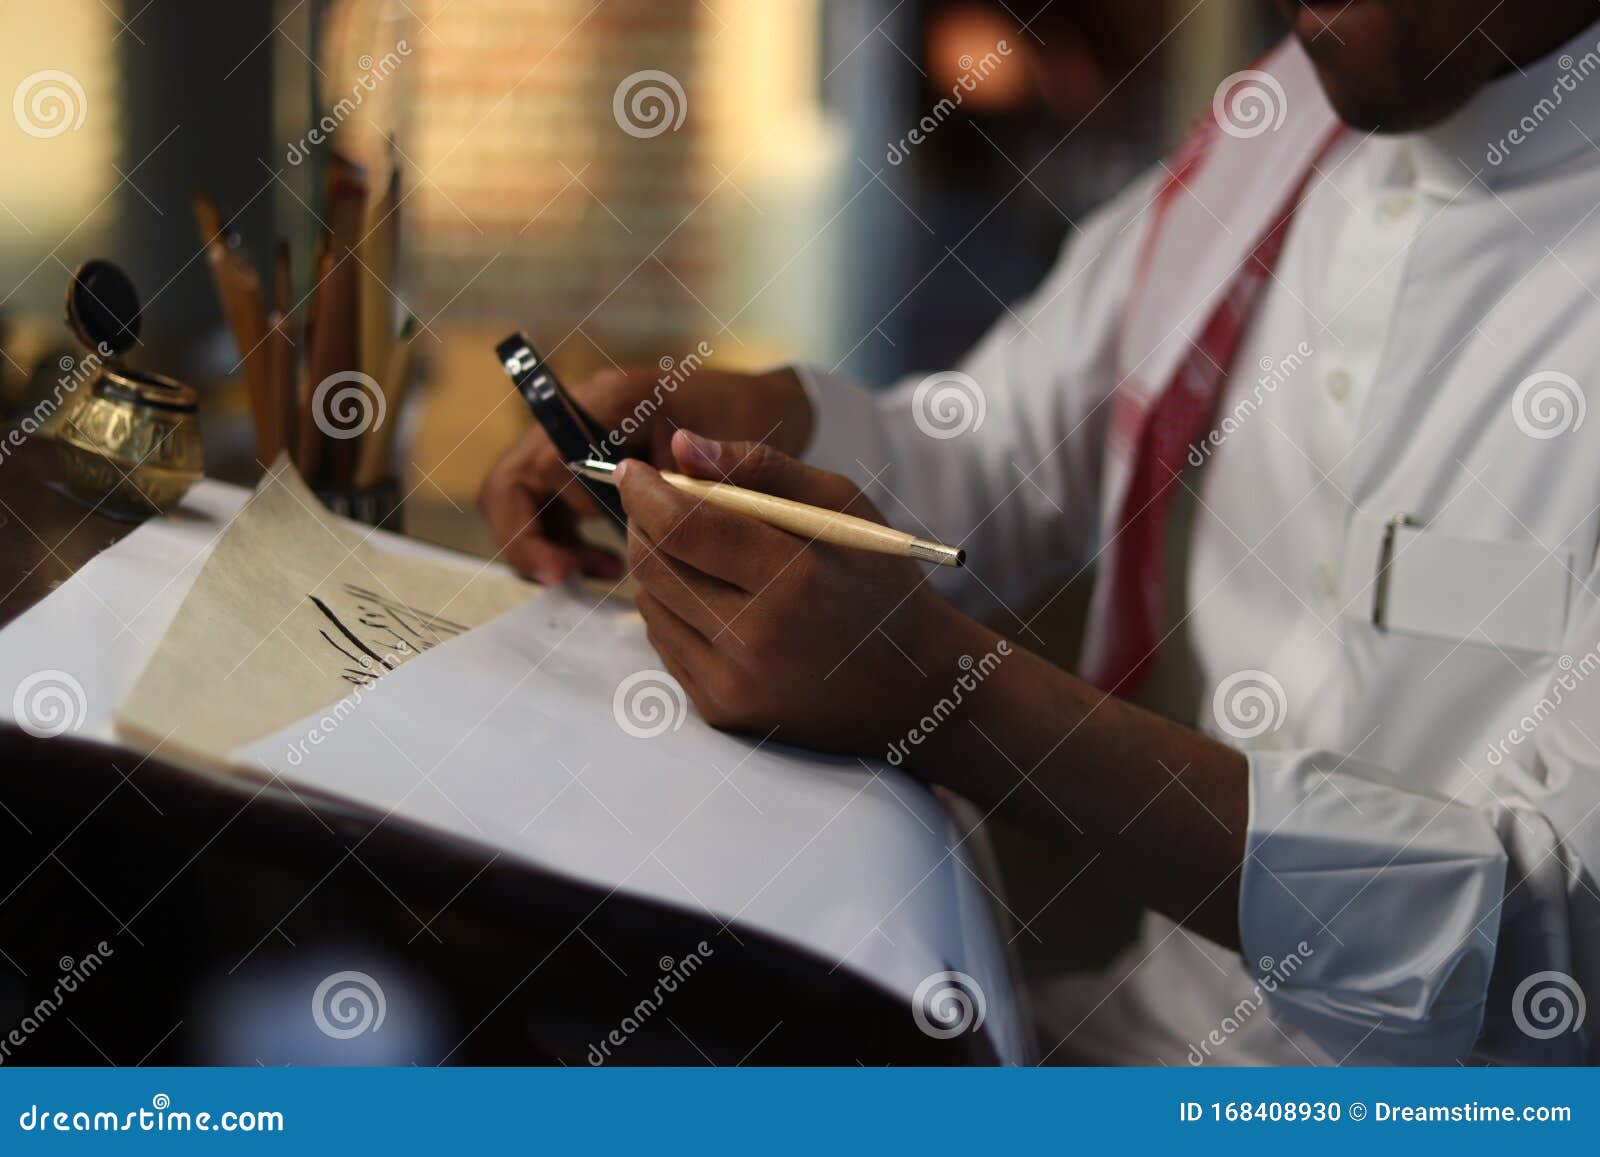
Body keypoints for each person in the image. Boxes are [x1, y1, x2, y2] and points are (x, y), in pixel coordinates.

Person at [480, 0, 1600, 1065]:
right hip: (1133, 1043)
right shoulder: (1279, 131)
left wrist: (947, 698)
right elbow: (1000, 448)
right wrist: (769, 424)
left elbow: (1557, 957)